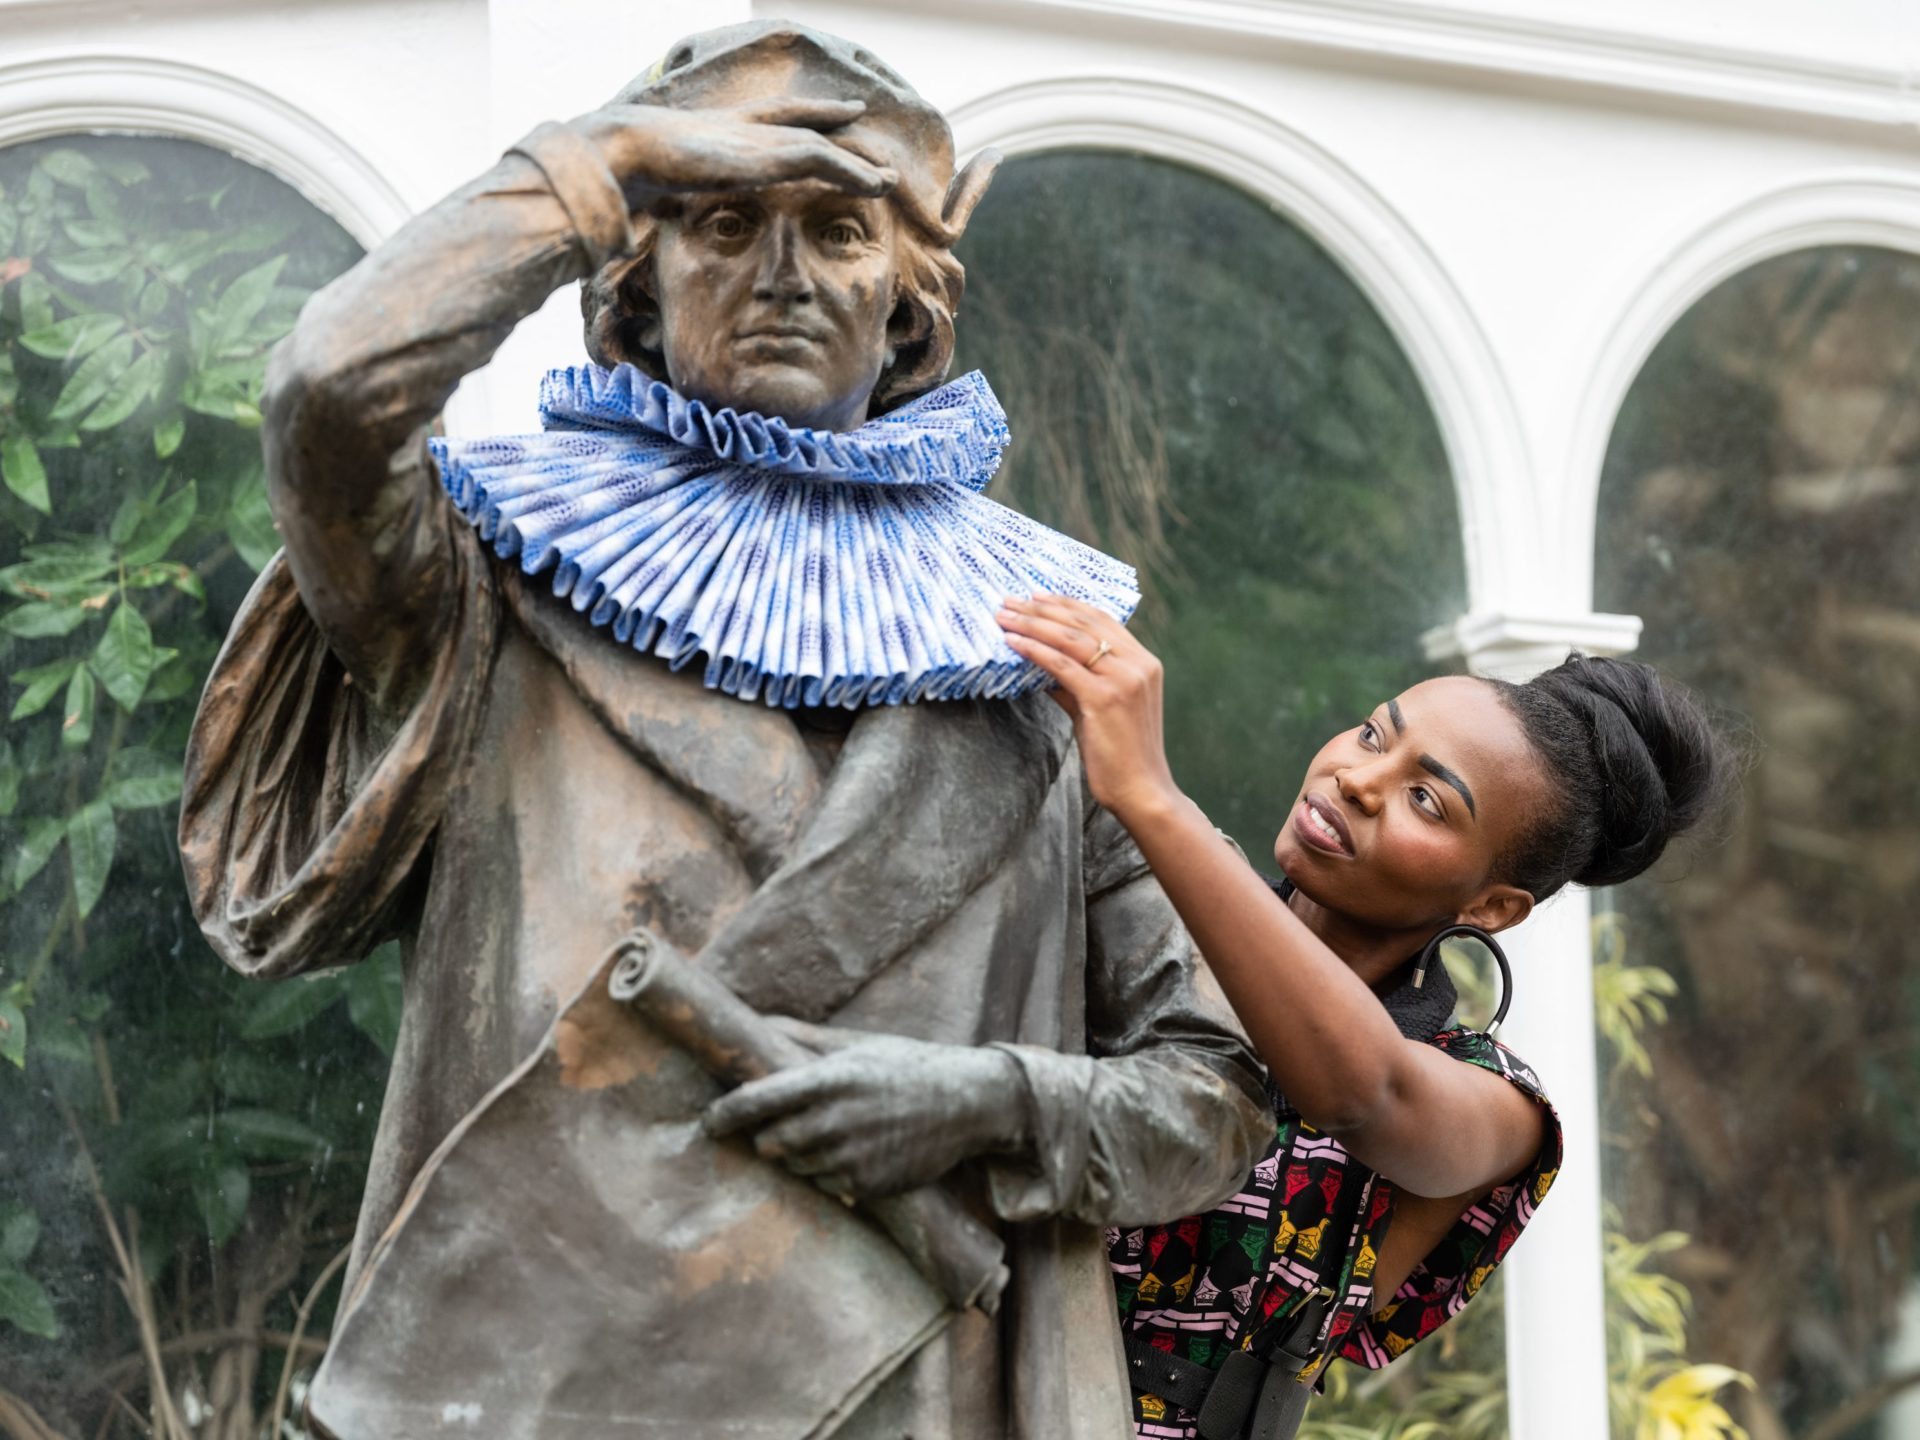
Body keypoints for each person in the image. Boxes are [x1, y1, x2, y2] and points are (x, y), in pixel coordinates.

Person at [178, 22, 1270, 1440]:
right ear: (631, 285)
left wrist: (985, 1102)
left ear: (909, 304)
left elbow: (1219, 1087)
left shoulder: (1046, 659)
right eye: (720, 222)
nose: (781, 272)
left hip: (906, 1388)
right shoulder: (481, 577)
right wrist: (601, 162)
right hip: (532, 1373)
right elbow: (327, 391)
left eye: (837, 230)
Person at [997, 594, 1732, 1435]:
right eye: (1375, 734)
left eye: (1429, 800)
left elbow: (1362, 1092)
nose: (1358, 778)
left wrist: (1151, 796)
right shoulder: (1146, 932)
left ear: (1493, 905)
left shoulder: (1497, 1109)